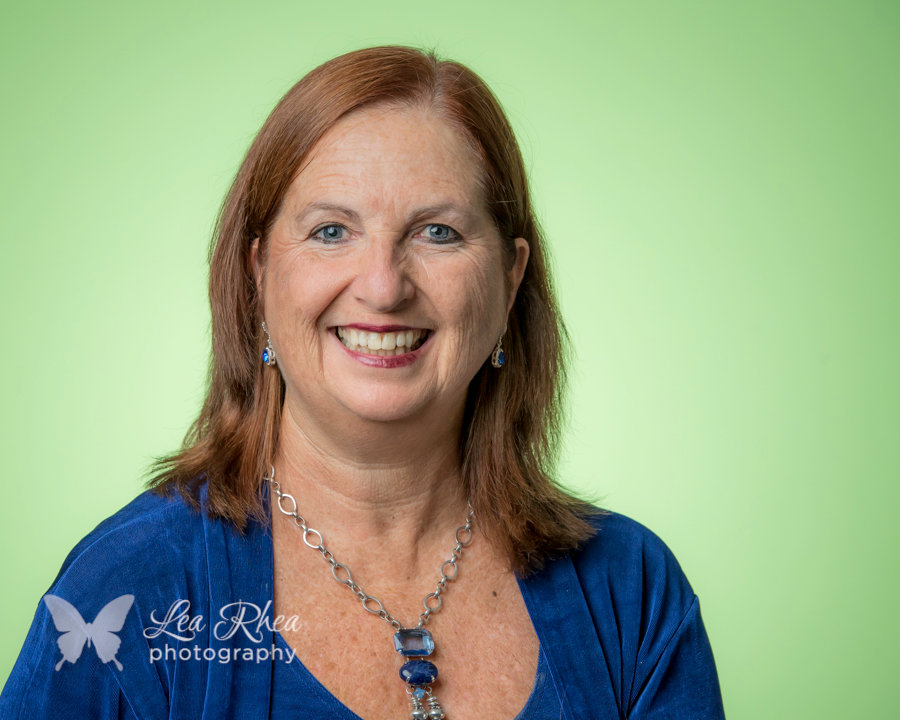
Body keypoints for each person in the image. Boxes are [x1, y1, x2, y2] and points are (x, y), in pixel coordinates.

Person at [0, 46, 725, 719]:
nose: (382, 287)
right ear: (258, 277)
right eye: (331, 231)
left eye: (436, 232)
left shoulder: (631, 591)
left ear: (510, 278)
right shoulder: (130, 590)